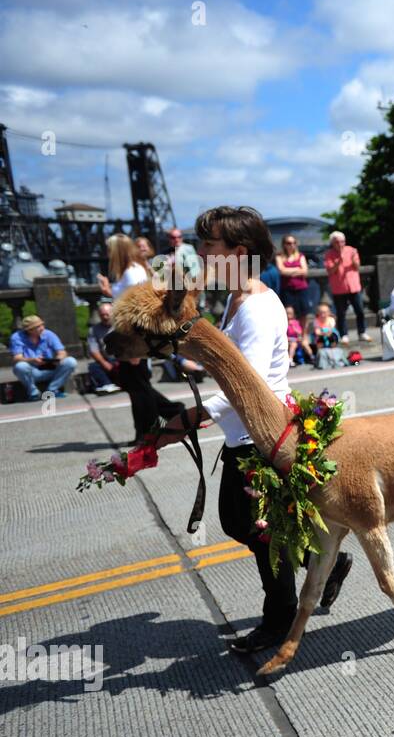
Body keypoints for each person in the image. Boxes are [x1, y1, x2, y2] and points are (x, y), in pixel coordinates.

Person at [154, 206, 353, 653]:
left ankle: (279, 618)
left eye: (208, 245)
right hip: (243, 432)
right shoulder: (235, 299)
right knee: (242, 524)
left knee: (261, 532)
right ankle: (331, 561)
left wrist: (191, 416)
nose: (200, 252)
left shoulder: (258, 308)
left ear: (237, 252)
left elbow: (253, 385)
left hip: (263, 436)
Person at [98, 233, 183, 440]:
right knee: (137, 386)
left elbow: (138, 307)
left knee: (138, 386)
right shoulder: (131, 271)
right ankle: (160, 421)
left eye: (110, 249)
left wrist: (135, 345)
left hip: (131, 338)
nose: (108, 253)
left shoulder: (132, 272)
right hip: (128, 337)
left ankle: (152, 428)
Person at [9, 315, 77, 400]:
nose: (42, 328)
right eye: (38, 327)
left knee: (71, 361)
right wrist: (32, 360)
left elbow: (62, 352)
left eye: (42, 325)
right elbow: (17, 358)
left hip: (49, 367)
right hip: (32, 370)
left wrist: (58, 359)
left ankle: (52, 390)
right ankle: (33, 393)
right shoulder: (17, 337)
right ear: (29, 330)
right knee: (20, 366)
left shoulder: (49, 334)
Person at [325, 230, 369, 344]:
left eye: (342, 241)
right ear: (333, 243)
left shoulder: (352, 250)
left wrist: (354, 260)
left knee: (360, 310)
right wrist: (338, 261)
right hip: (339, 288)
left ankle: (362, 332)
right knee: (341, 313)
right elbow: (330, 271)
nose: (340, 244)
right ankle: (344, 334)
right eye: (337, 242)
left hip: (354, 286)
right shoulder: (329, 254)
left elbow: (357, 267)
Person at [85, 301, 122, 394]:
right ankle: (107, 385)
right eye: (102, 315)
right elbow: (93, 350)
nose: (105, 317)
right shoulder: (93, 330)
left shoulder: (121, 325)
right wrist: (104, 362)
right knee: (93, 367)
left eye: (107, 314)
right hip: (108, 359)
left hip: (122, 358)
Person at [305, 302, 347, 368]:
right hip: (321, 335)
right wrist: (322, 333)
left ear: (328, 313)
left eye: (324, 312)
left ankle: (333, 347)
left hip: (329, 334)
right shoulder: (316, 321)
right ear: (318, 313)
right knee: (318, 338)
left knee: (333, 335)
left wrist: (327, 333)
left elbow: (331, 329)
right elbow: (317, 331)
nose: (323, 315)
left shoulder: (331, 319)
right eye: (321, 313)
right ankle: (319, 351)